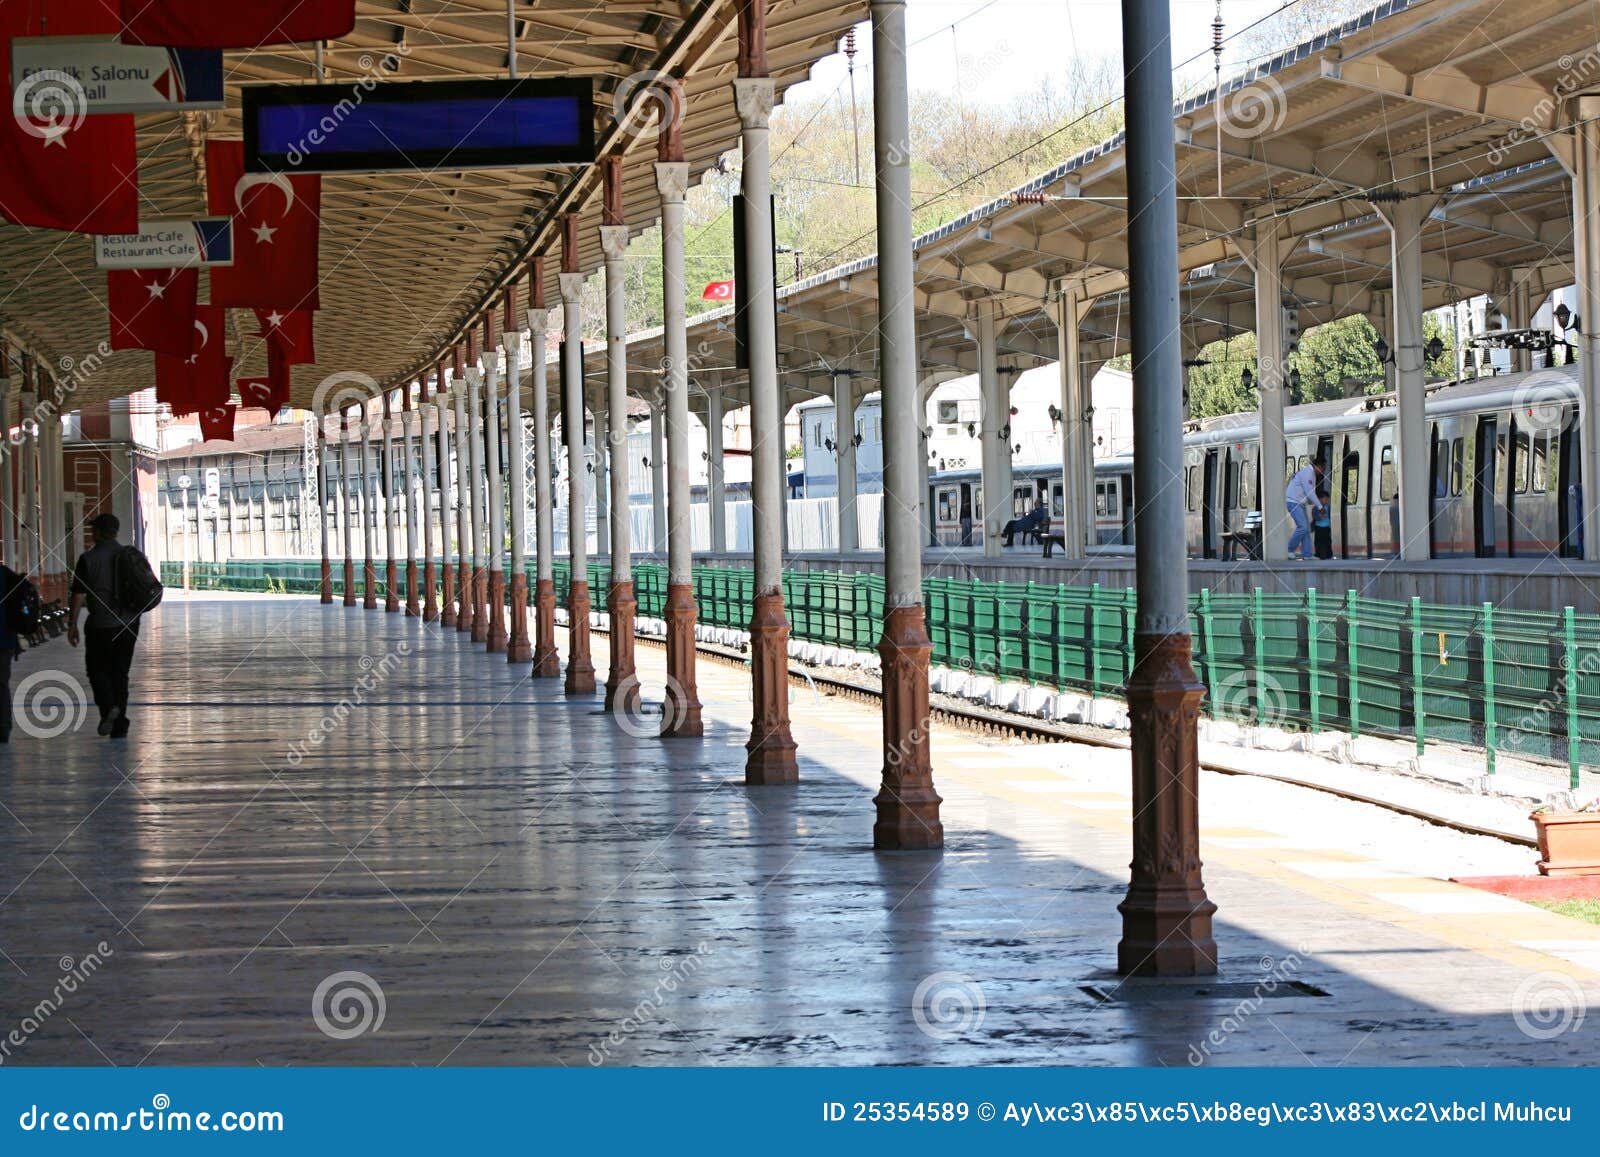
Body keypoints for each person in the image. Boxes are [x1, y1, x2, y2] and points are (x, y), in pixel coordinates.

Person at [67, 513, 145, 739]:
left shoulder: (88, 559)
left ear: (98, 532)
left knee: (97, 670)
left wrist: (72, 624)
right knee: (120, 673)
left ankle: (109, 708)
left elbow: (78, 594)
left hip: (101, 624)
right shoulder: (131, 555)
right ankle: (119, 725)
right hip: (129, 623)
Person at [1285, 459, 1326, 561]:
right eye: (1322, 468)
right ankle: (1289, 550)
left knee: (1306, 528)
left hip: (1299, 502)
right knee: (1303, 527)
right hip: (1294, 502)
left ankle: (1307, 554)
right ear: (1317, 466)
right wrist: (1320, 506)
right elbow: (1310, 492)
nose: (1323, 471)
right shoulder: (1308, 473)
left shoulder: (1310, 473)